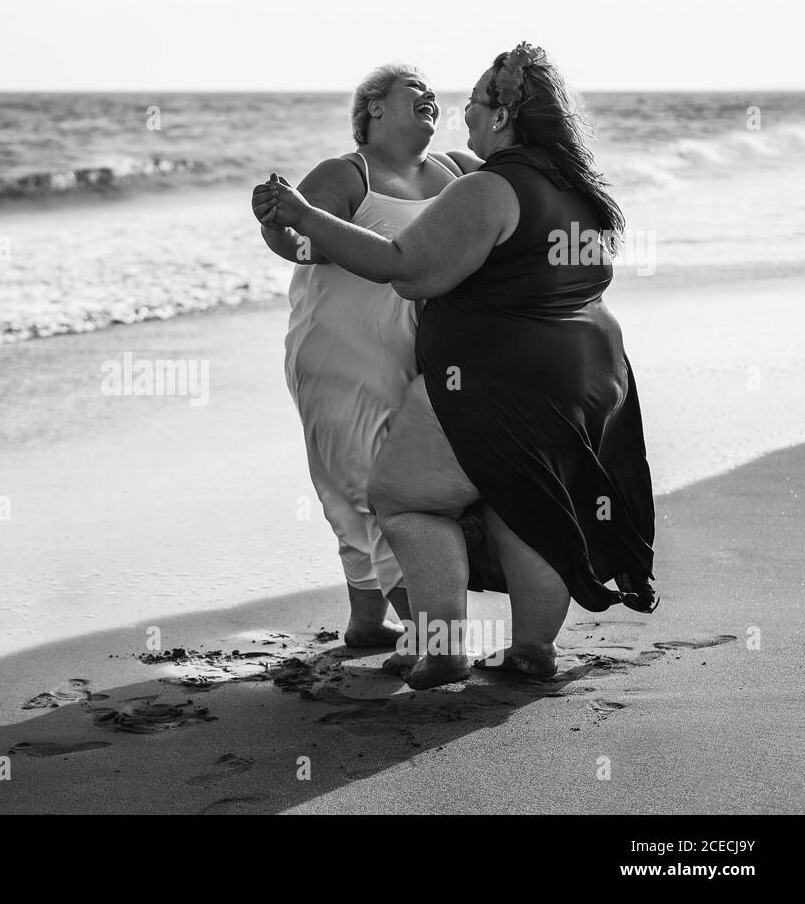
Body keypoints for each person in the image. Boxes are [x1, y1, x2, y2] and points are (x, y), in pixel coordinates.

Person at [253, 43, 657, 690]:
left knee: (403, 499)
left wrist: (304, 215)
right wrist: (293, 220)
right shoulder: (574, 185)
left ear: (501, 119)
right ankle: (531, 650)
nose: (458, 108)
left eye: (471, 100)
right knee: (522, 503)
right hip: (588, 374)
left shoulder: (486, 185)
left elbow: (406, 271)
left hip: (502, 381)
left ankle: (439, 646)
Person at [261, 64, 482, 647]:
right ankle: (428, 632)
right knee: (366, 486)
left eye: (433, 91)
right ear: (374, 107)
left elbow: (519, 196)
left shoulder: (456, 170)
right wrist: (272, 219)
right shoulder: (347, 172)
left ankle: (366, 621)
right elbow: (296, 240)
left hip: (420, 355)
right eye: (415, 89)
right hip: (340, 352)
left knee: (384, 483)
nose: (431, 96)